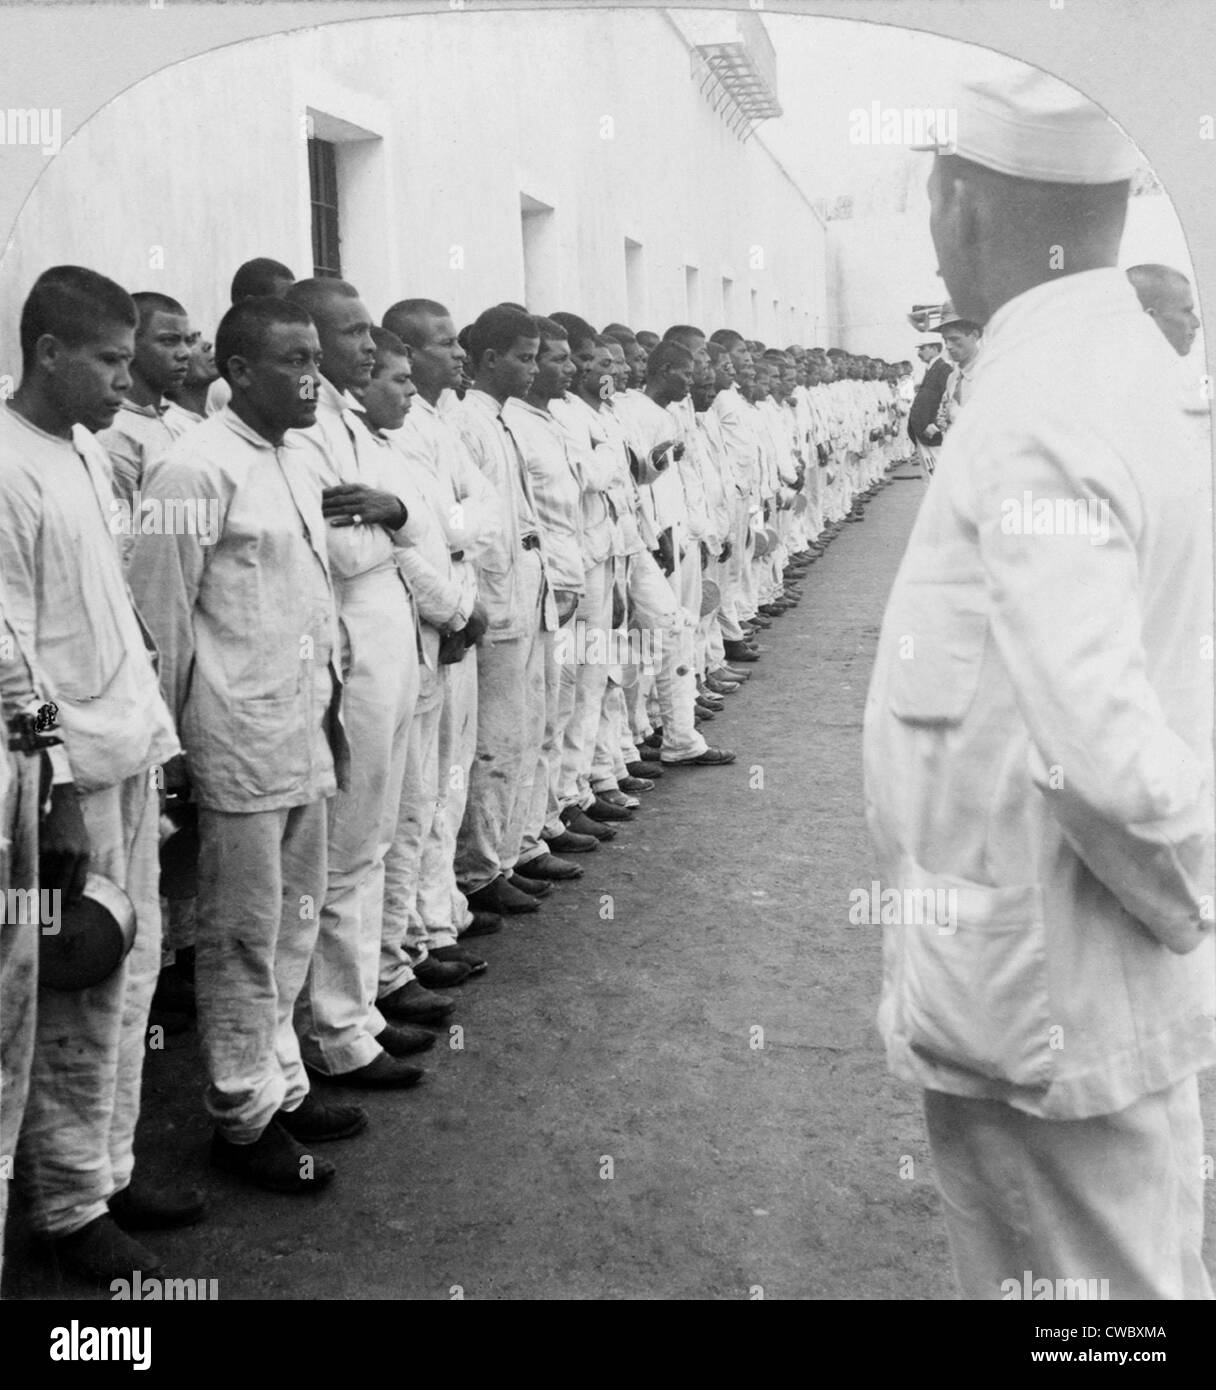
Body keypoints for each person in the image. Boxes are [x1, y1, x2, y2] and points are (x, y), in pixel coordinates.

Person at [865, 63, 1214, 1300]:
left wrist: (1185, 911)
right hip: (1049, 976)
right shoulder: (1103, 370)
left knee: (1086, 1311)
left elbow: (1100, 752)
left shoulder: (1044, 403)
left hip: (1046, 987)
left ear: (956, 204)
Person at [128, 295, 360, 1193]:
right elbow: (160, 622)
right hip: (237, 738)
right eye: (293, 360)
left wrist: (332, 700)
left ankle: (284, 1082)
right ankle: (242, 1114)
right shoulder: (192, 472)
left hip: (304, 727)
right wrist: (175, 748)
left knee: (294, 923)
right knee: (240, 936)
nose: (313, 375)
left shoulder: (296, 456)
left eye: (315, 357)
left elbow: (311, 598)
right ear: (237, 370)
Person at [0, 266, 190, 1280]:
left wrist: (152, 746)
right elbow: (9, 649)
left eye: (128, 359)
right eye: (110, 360)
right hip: (51, 781)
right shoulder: (5, 461)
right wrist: (61, 786)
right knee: (76, 986)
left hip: (124, 752)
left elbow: (108, 614)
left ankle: (109, 1173)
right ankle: (69, 1207)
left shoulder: (80, 450)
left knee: (134, 972)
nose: (125, 381)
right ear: (47, 352)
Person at [281, 280, 433, 1090]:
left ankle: (363, 1002)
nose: (368, 345)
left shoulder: (348, 421)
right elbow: (340, 551)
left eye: (366, 330)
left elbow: (405, 520)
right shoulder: (308, 435)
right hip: (353, 641)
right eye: (348, 333)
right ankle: (336, 1031)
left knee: (376, 834)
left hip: (392, 628)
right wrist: (398, 527)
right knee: (345, 852)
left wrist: (394, 513)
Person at [379, 298, 505, 1005]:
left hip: (451, 608)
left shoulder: (429, 424)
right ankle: (411, 941)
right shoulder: (384, 432)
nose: (456, 354)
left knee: (441, 782)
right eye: (444, 343)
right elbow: (404, 542)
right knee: (409, 802)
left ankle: (432, 922)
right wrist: (452, 590)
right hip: (424, 621)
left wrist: (452, 543)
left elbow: (475, 507)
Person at [449, 306, 559, 916]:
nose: (533, 368)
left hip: (527, 588)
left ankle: (513, 846)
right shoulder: (465, 423)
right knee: (492, 744)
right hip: (493, 601)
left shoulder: (502, 420)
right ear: (489, 358)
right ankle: (479, 869)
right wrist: (480, 598)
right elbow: (465, 522)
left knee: (526, 731)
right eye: (523, 356)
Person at [97, 291, 195, 512]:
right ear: (130, 345)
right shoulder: (113, 431)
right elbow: (122, 535)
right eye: (169, 341)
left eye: (188, 341)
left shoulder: (185, 421)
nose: (185, 353)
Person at [205, 258, 295, 415]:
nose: (290, 313)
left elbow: (308, 397)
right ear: (250, 304)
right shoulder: (227, 385)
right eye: (281, 304)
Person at [906, 334, 951, 483]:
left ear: (934, 348)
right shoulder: (931, 369)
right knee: (930, 475)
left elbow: (947, 400)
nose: (919, 352)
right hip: (923, 432)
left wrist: (936, 425)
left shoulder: (943, 369)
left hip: (932, 433)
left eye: (922, 348)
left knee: (937, 475)